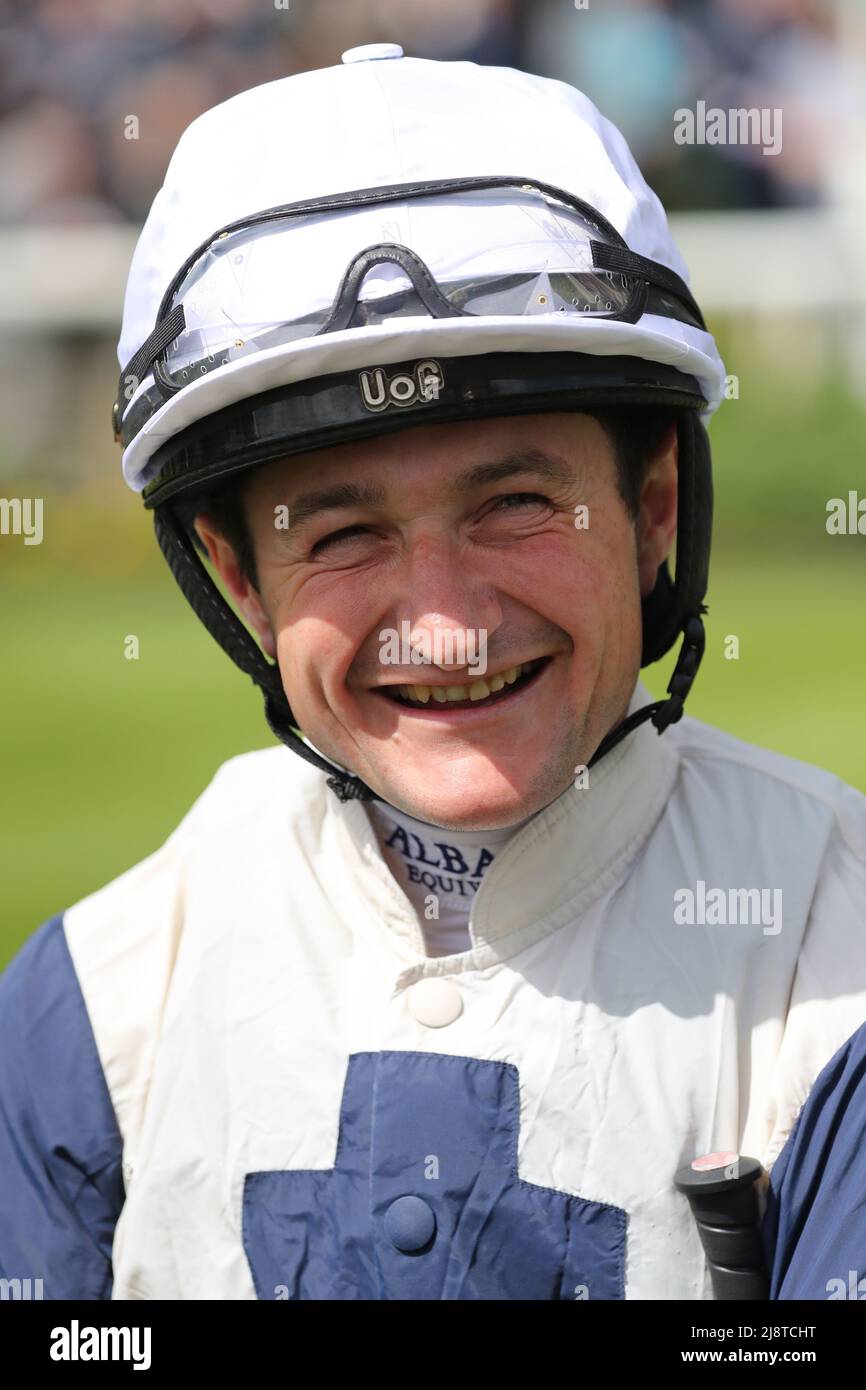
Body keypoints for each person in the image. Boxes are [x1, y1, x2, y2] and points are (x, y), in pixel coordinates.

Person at [1, 43, 864, 1302]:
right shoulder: (93, 998)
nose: (448, 627)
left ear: (654, 511)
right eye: (343, 535)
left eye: (516, 503)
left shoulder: (831, 953)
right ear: (238, 578)